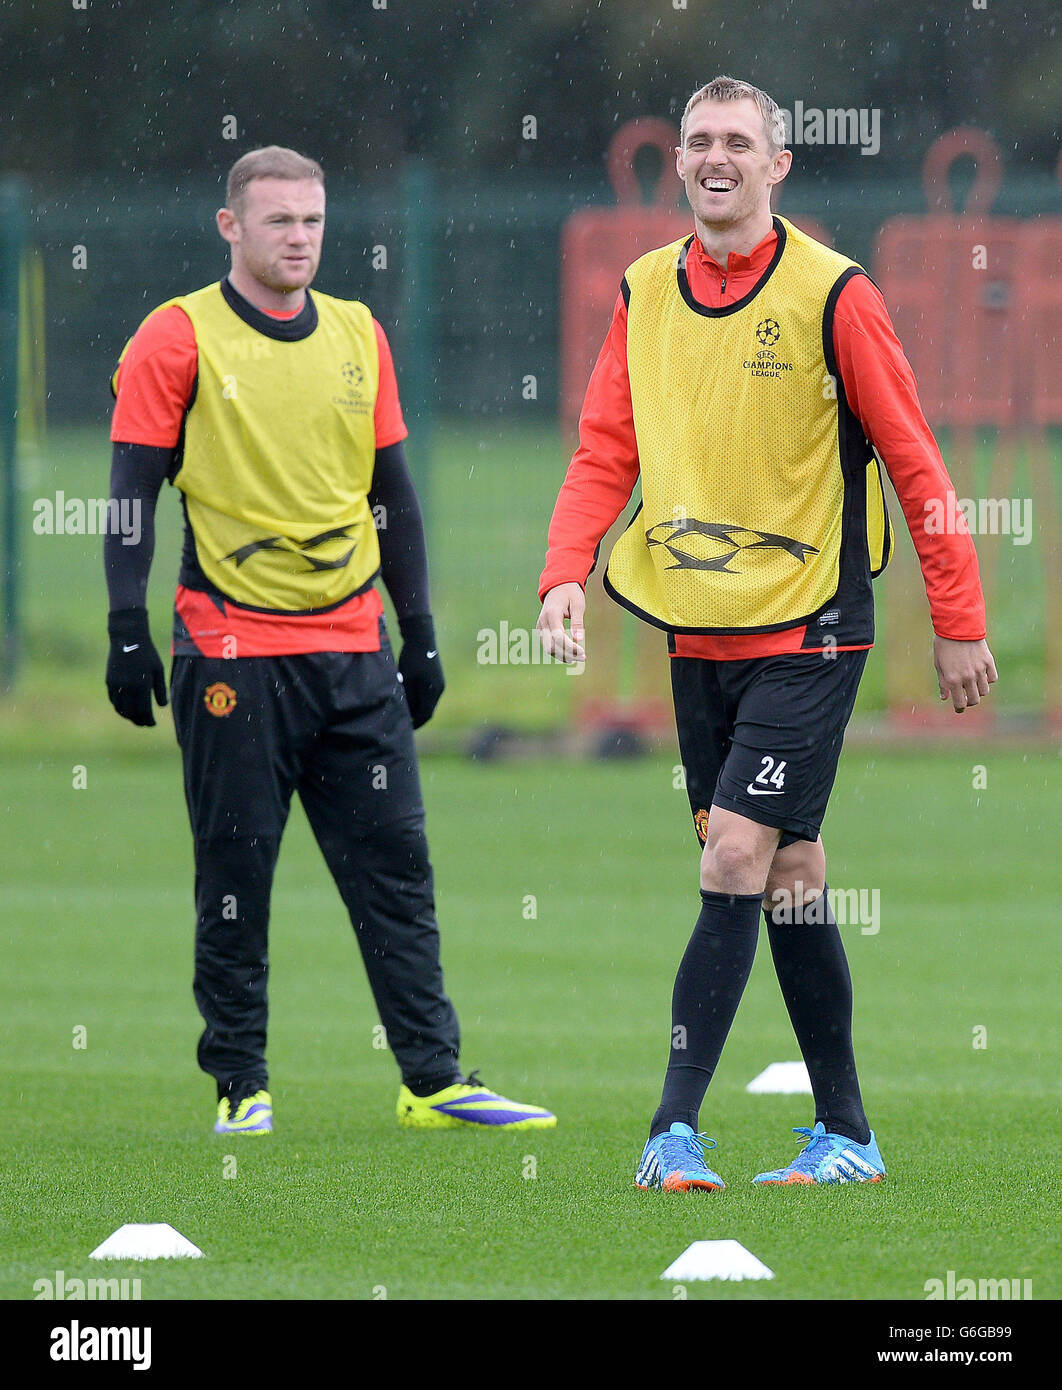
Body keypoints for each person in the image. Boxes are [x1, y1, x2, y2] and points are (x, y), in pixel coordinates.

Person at [537, 77, 994, 1190]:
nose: (714, 157)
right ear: (680, 162)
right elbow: (607, 444)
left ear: (779, 164)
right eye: (698, 141)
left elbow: (915, 460)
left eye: (739, 141)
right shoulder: (646, 292)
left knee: (732, 851)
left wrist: (958, 618)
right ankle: (848, 1135)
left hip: (816, 631)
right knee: (789, 870)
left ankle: (671, 1130)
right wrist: (564, 572)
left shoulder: (836, 294)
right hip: (699, 635)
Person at [105, 146, 555, 1137]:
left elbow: (393, 497)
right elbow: (132, 495)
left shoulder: (358, 334)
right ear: (231, 227)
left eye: (311, 220)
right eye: (278, 221)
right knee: (235, 872)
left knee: (397, 865)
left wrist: (422, 633)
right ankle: (240, 1085)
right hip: (229, 653)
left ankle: (433, 1079)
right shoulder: (174, 339)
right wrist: (124, 628)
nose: (299, 237)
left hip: (355, 655)